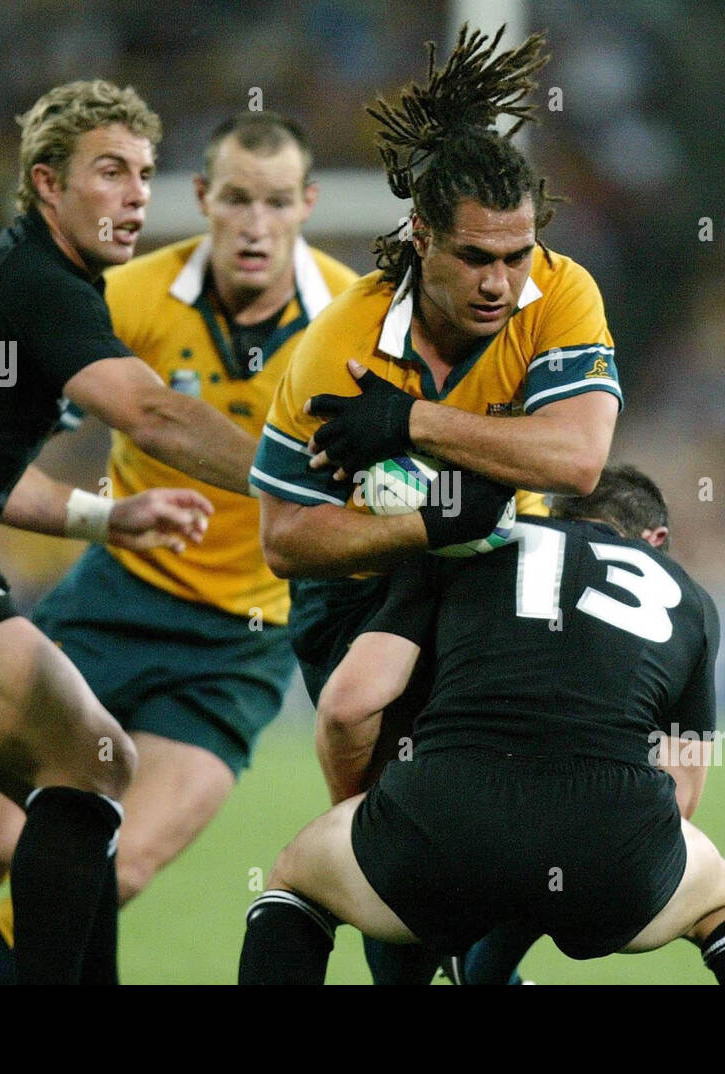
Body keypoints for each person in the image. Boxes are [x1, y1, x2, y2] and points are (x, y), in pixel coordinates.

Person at [0, 111, 360, 985]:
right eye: (234, 198)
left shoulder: (346, 321)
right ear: (202, 199)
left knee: (111, 870)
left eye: (274, 201)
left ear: (305, 203)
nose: (254, 223)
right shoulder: (129, 296)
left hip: (240, 643)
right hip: (113, 601)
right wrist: (100, 515)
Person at [249, 24, 621, 985]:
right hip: (363, 594)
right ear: (421, 238)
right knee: (400, 827)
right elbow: (284, 540)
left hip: (498, 577)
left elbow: (578, 460)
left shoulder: (560, 294)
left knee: (517, 816)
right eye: (475, 257)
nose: (502, 280)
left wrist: (414, 422)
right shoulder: (337, 347)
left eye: (517, 253)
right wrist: (421, 527)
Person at [238, 464, 725, 985]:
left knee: (298, 877)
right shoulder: (687, 595)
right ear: (656, 540)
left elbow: (349, 704)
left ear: (558, 512)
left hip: (445, 816)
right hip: (611, 846)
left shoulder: (461, 546)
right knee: (724, 906)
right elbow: (682, 793)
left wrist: (362, 811)